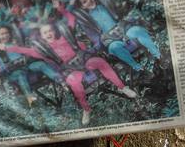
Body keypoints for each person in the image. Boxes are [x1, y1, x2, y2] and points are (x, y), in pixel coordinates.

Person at [7, 21, 137, 126]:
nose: (48, 34)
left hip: (83, 61)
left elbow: (74, 29)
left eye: (49, 31)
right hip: (70, 69)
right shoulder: (43, 50)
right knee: (73, 81)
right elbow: (26, 50)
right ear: (42, 36)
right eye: (45, 32)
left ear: (54, 31)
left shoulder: (65, 38)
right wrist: (7, 48)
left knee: (100, 62)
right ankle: (86, 109)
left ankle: (123, 87)